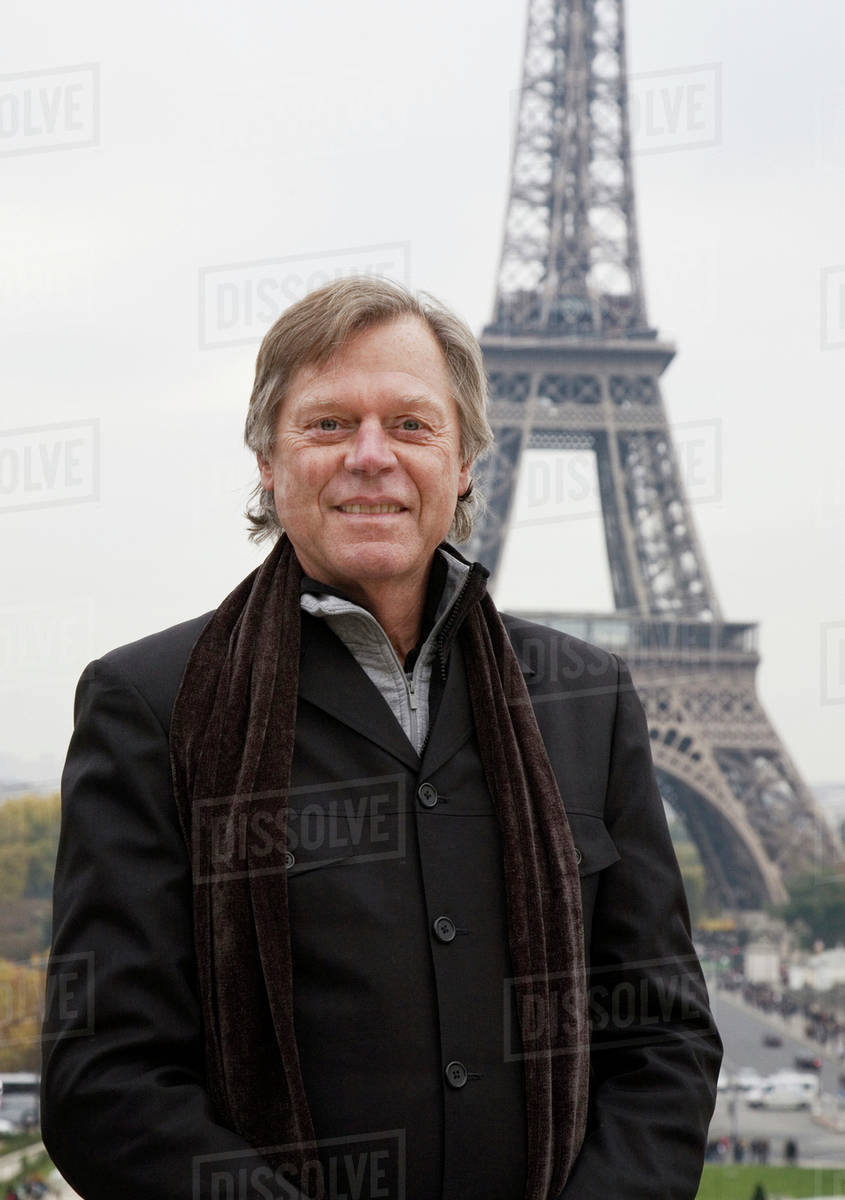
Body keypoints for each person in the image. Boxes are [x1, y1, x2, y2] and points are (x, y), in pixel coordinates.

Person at [42, 277, 722, 1199]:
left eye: (410, 424)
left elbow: (663, 1036)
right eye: (328, 425)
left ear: (467, 459)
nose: (372, 456)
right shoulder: (149, 704)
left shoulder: (586, 697)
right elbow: (104, 1078)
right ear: (267, 461)